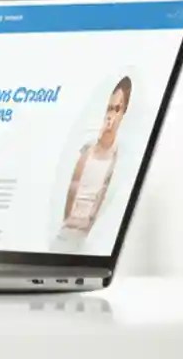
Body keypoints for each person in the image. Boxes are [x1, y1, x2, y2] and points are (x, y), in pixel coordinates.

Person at [56, 76, 131, 243]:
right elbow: (70, 192)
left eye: (117, 109)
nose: (111, 116)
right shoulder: (87, 150)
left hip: (87, 239)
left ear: (124, 112)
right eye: (109, 109)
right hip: (66, 234)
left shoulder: (119, 157)